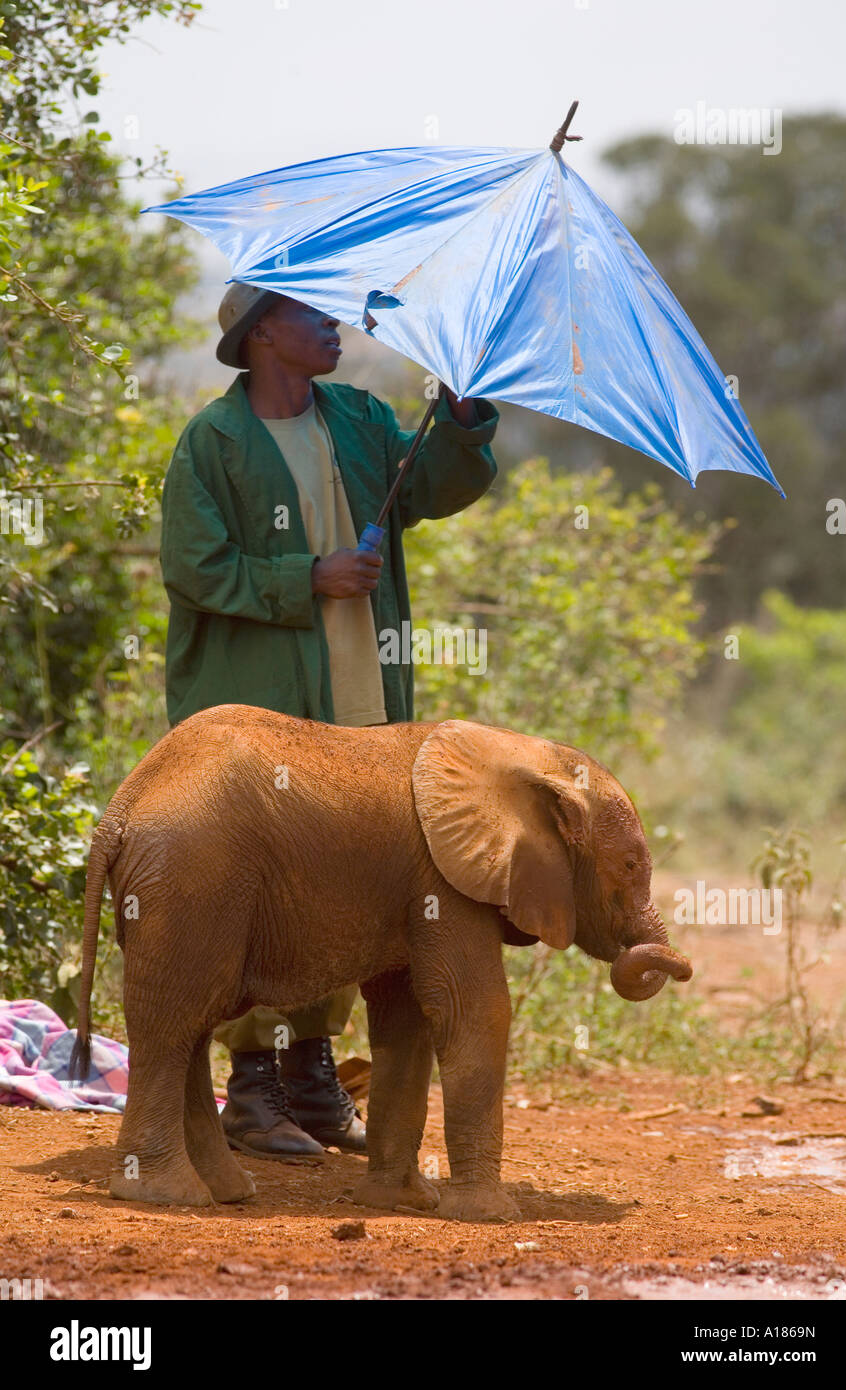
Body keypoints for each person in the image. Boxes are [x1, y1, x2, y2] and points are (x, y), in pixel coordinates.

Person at [159, 283, 499, 1161]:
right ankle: (253, 1089)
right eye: (313, 316)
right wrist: (308, 576)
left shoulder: (359, 416)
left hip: (361, 694)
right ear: (262, 333)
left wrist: (462, 422)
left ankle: (312, 1079)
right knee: (264, 887)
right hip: (259, 701)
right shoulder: (212, 442)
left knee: (342, 882)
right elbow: (196, 568)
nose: (333, 327)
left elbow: (427, 487)